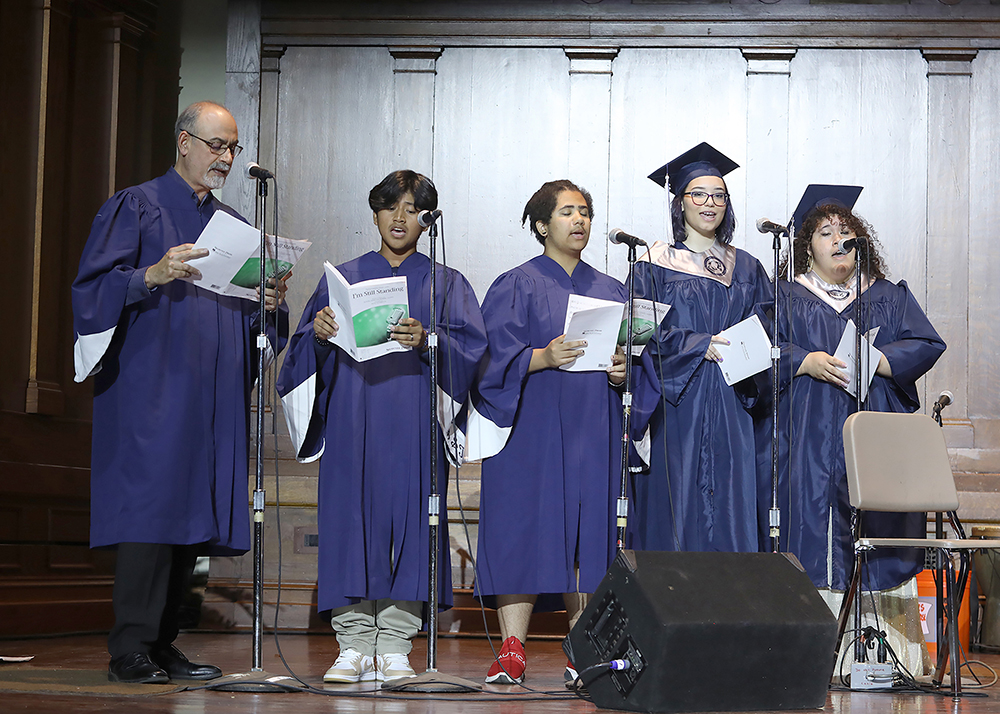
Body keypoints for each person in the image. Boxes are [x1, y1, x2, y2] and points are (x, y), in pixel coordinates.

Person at [71, 101, 290, 684]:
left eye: (232, 148)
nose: (225, 158)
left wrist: (268, 305)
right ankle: (130, 647)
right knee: (150, 513)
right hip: (151, 389)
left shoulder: (236, 227)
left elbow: (252, 324)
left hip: (211, 395)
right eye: (216, 145)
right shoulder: (136, 207)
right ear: (183, 142)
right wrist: (150, 274)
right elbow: (90, 289)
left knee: (192, 517)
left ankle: (165, 642)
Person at [276, 170, 488, 683]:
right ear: (374, 213)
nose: (400, 217)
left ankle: (395, 640)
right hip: (353, 418)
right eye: (391, 206)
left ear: (426, 219)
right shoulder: (342, 276)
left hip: (414, 420)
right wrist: (319, 335)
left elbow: (474, 354)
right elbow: (299, 355)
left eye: (413, 209)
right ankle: (351, 642)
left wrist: (428, 340)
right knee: (351, 523)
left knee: (413, 523)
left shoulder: (446, 282)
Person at [470, 180, 659, 685]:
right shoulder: (516, 283)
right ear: (541, 224)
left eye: (585, 213)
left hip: (591, 426)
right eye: (567, 212)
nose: (579, 221)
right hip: (530, 427)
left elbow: (634, 363)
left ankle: (584, 647)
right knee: (523, 527)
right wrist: (541, 356)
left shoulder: (612, 289)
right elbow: (489, 362)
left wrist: (623, 373)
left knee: (589, 534)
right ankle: (513, 648)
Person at [753, 185, 945, 671]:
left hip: (876, 438)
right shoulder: (785, 298)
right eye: (825, 232)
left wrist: (883, 359)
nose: (839, 238)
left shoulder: (886, 296)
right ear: (806, 245)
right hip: (807, 441)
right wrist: (803, 360)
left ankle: (894, 659)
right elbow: (751, 357)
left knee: (884, 531)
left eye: (846, 230)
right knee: (812, 531)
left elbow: (925, 341)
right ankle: (812, 662)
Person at [631, 143, 774, 555]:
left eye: (719, 195)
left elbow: (767, 327)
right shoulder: (652, 263)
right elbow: (639, 336)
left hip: (733, 402)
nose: (710, 203)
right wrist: (698, 345)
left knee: (732, 503)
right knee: (678, 502)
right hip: (678, 405)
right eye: (699, 194)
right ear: (680, 202)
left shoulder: (746, 266)